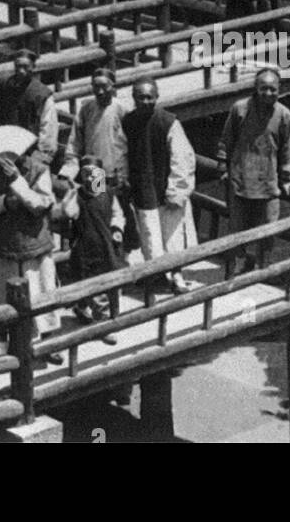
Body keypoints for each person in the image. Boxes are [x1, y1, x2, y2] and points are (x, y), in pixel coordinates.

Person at [0, 126, 64, 360]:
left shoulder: (39, 171)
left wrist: (18, 185)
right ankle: (3, 341)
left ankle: (49, 342)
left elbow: (43, 203)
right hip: (5, 242)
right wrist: (4, 202)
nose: (8, 160)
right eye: (4, 155)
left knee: (42, 292)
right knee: (2, 296)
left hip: (34, 241)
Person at [122, 76, 198, 293]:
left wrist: (177, 190)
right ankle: (155, 276)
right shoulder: (128, 121)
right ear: (134, 98)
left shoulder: (168, 122)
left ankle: (176, 275)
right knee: (149, 235)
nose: (145, 101)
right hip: (143, 189)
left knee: (172, 236)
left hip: (167, 187)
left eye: (149, 97)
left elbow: (182, 158)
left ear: (156, 97)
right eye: (140, 97)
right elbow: (123, 153)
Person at [217, 68, 290, 277]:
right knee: (238, 228)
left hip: (269, 180)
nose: (268, 93)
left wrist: (286, 177)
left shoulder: (284, 115)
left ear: (279, 90)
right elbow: (226, 140)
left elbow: (286, 148)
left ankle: (264, 268)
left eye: (273, 89)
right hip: (241, 177)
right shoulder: (240, 109)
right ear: (255, 89)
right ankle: (239, 264)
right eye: (264, 89)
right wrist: (223, 167)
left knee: (269, 228)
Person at [64, 156, 124, 333]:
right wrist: (69, 195)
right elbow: (70, 213)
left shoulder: (108, 194)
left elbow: (117, 214)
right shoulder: (79, 196)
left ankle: (104, 321)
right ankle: (84, 308)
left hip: (106, 244)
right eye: (86, 174)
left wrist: (117, 229)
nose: (90, 178)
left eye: (94, 174)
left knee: (105, 283)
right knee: (85, 280)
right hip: (85, 246)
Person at [0, 49, 58, 165]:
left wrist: (41, 156)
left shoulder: (42, 94)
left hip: (30, 152)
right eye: (18, 66)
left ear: (33, 67)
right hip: (6, 146)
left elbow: (48, 128)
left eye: (25, 66)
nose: (21, 71)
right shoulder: (4, 85)